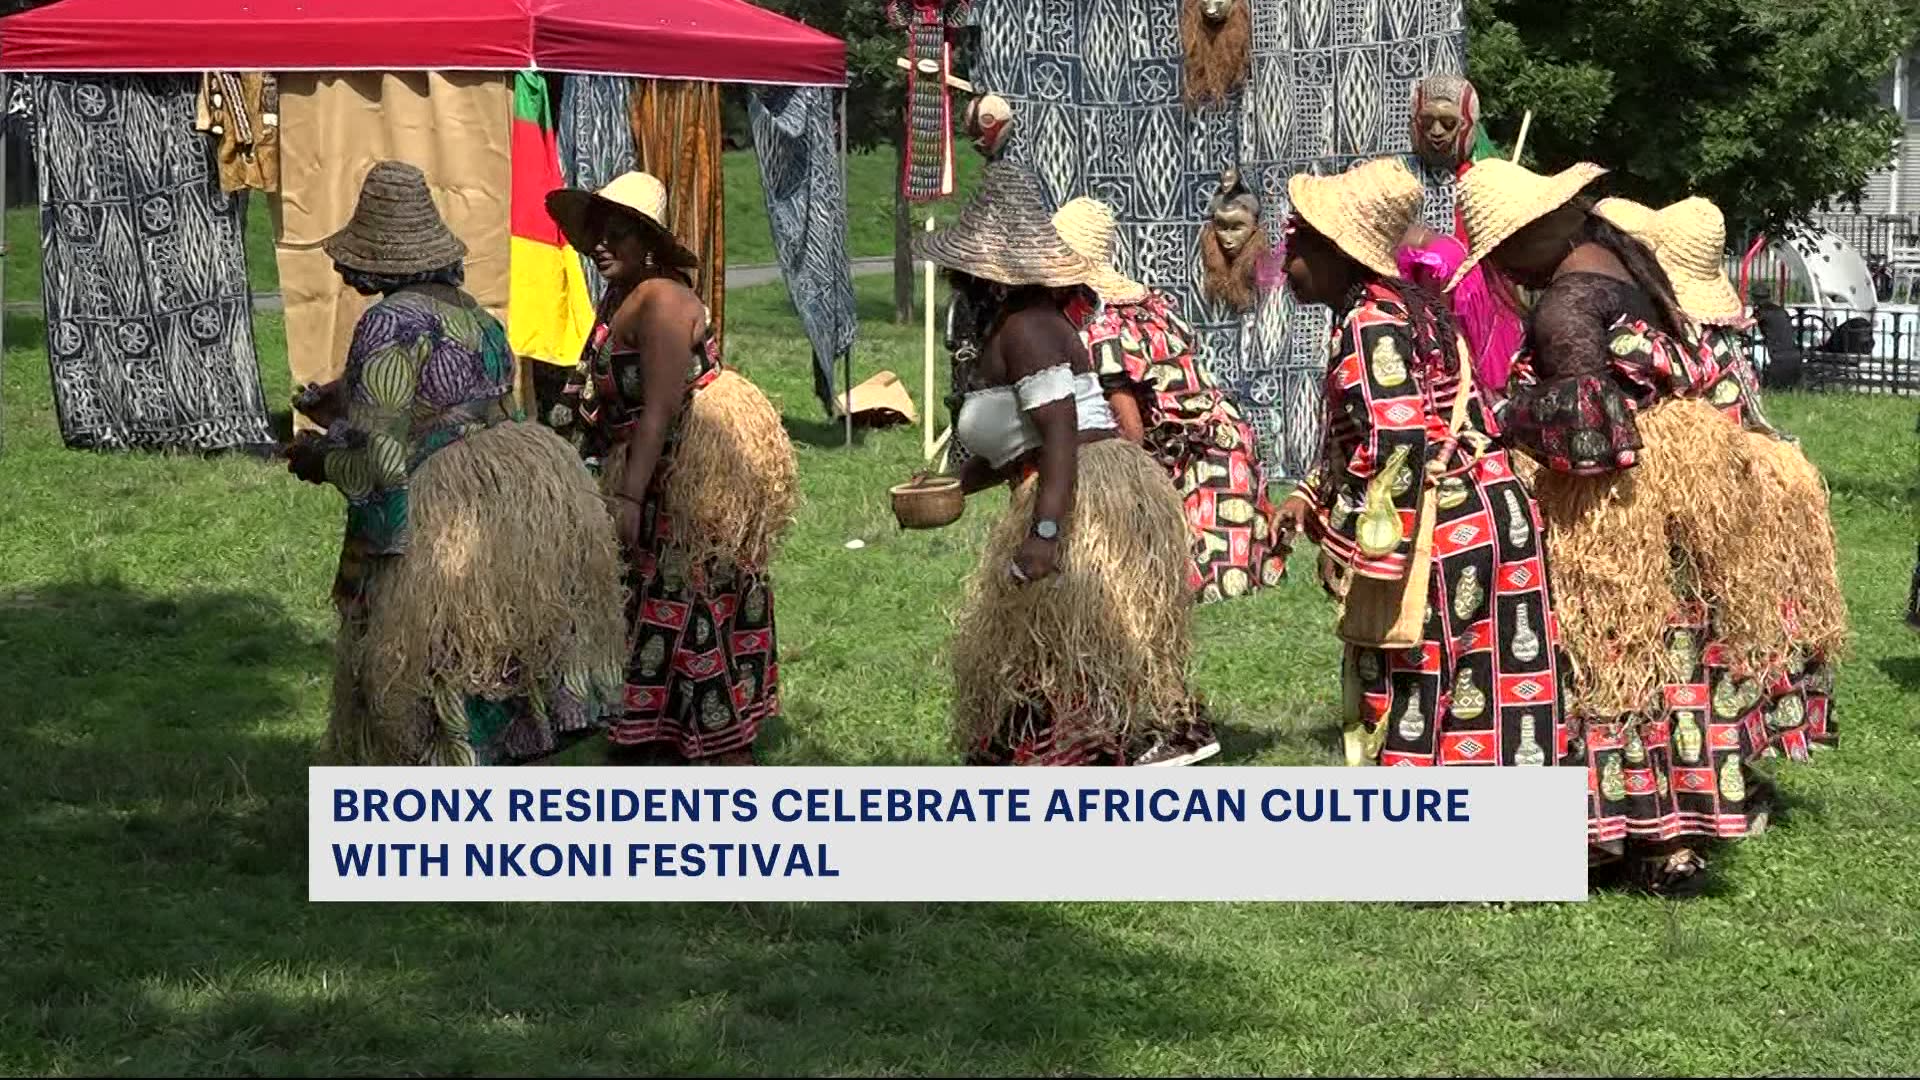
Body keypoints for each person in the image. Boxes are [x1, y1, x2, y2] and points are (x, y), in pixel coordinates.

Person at [1452, 159, 1842, 893]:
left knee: (1613, 665)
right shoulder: (1622, 260)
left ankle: (1619, 840)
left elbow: (1592, 441)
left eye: (1504, 253)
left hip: (1620, 512)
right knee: (1681, 659)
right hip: (1680, 497)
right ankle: (1678, 843)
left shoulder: (1566, 305)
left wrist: (1501, 415)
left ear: (1536, 230)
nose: (1507, 270)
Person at [287, 160, 627, 766]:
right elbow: (453, 401)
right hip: (521, 500)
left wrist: (319, 458)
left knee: (439, 651)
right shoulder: (473, 314)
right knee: (504, 642)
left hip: (450, 515)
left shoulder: (388, 320)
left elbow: (382, 460)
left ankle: (441, 801)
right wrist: (345, 401)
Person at [1273, 158, 1568, 781]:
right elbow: (1392, 426)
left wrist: (1354, 540)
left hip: (1437, 524)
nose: (1284, 254)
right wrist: (1311, 493)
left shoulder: (1369, 322)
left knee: (1411, 678)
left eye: (1296, 240)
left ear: (1336, 252)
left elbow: (1400, 437)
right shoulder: (1413, 309)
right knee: (1487, 684)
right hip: (1493, 508)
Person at [917, 161, 1214, 767]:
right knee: (1038, 650)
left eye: (963, 271)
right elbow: (1020, 443)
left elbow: (1059, 437)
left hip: (1083, 498)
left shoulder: (1028, 329)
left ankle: (1093, 757)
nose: (957, 281)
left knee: (1062, 650)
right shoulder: (1015, 325)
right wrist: (954, 483)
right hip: (1060, 482)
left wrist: (1047, 535)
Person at [545, 172, 797, 767]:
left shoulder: (661, 302)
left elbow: (658, 410)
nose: (603, 244)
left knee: (683, 601)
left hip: (673, 485)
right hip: (647, 472)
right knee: (657, 604)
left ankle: (714, 745)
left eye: (619, 233)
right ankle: (660, 735)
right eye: (599, 233)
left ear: (648, 241)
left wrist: (630, 500)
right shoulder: (626, 293)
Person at [1050, 195, 1288, 603]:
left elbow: (1131, 430)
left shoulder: (1102, 328)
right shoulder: (1143, 304)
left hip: (1204, 459)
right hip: (1217, 438)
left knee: (1203, 590)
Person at [1747, 283, 1804, 391]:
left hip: (1778, 356)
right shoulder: (1780, 310)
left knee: (1774, 389)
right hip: (1793, 352)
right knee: (1789, 389)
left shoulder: (1763, 311)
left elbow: (1744, 325)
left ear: (1755, 298)